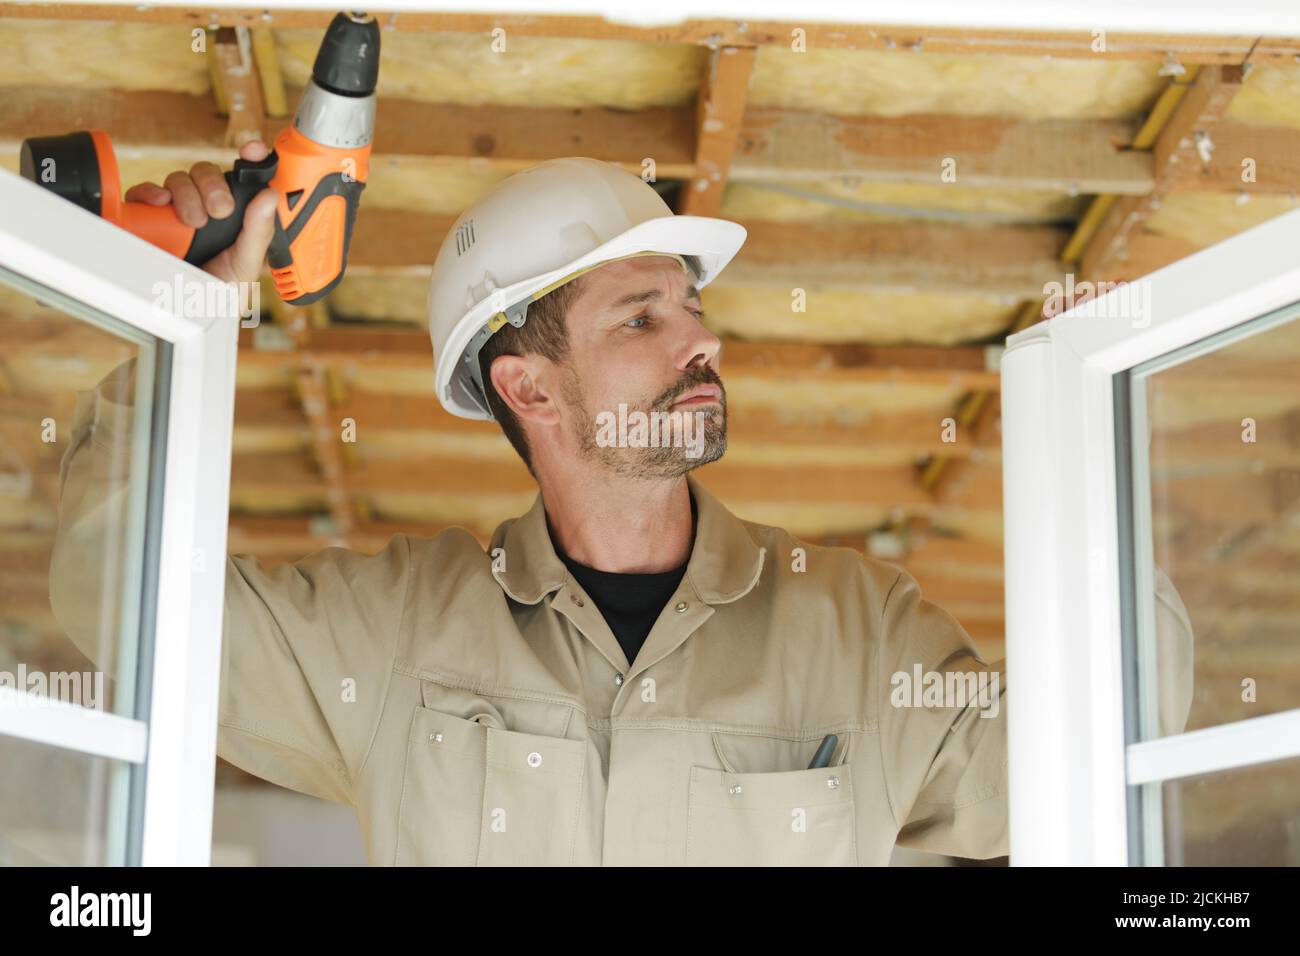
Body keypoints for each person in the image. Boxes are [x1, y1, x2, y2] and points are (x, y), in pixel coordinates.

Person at [48, 140, 1193, 866]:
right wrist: (181, 325)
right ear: (528, 383)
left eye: (689, 307)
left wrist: (1120, 428)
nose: (701, 338)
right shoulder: (392, 633)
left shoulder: (859, 633)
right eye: (641, 318)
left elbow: (1097, 757)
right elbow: (124, 603)